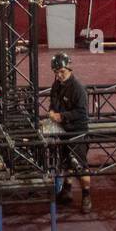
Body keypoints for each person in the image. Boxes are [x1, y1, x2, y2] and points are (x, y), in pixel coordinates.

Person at [48, 53, 92, 213]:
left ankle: (86, 196)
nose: (58, 76)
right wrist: (52, 112)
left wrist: (61, 116)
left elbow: (81, 113)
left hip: (77, 132)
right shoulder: (56, 85)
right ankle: (67, 190)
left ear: (69, 69)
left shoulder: (77, 89)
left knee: (79, 165)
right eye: (56, 72)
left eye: (61, 72)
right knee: (65, 162)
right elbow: (53, 102)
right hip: (63, 130)